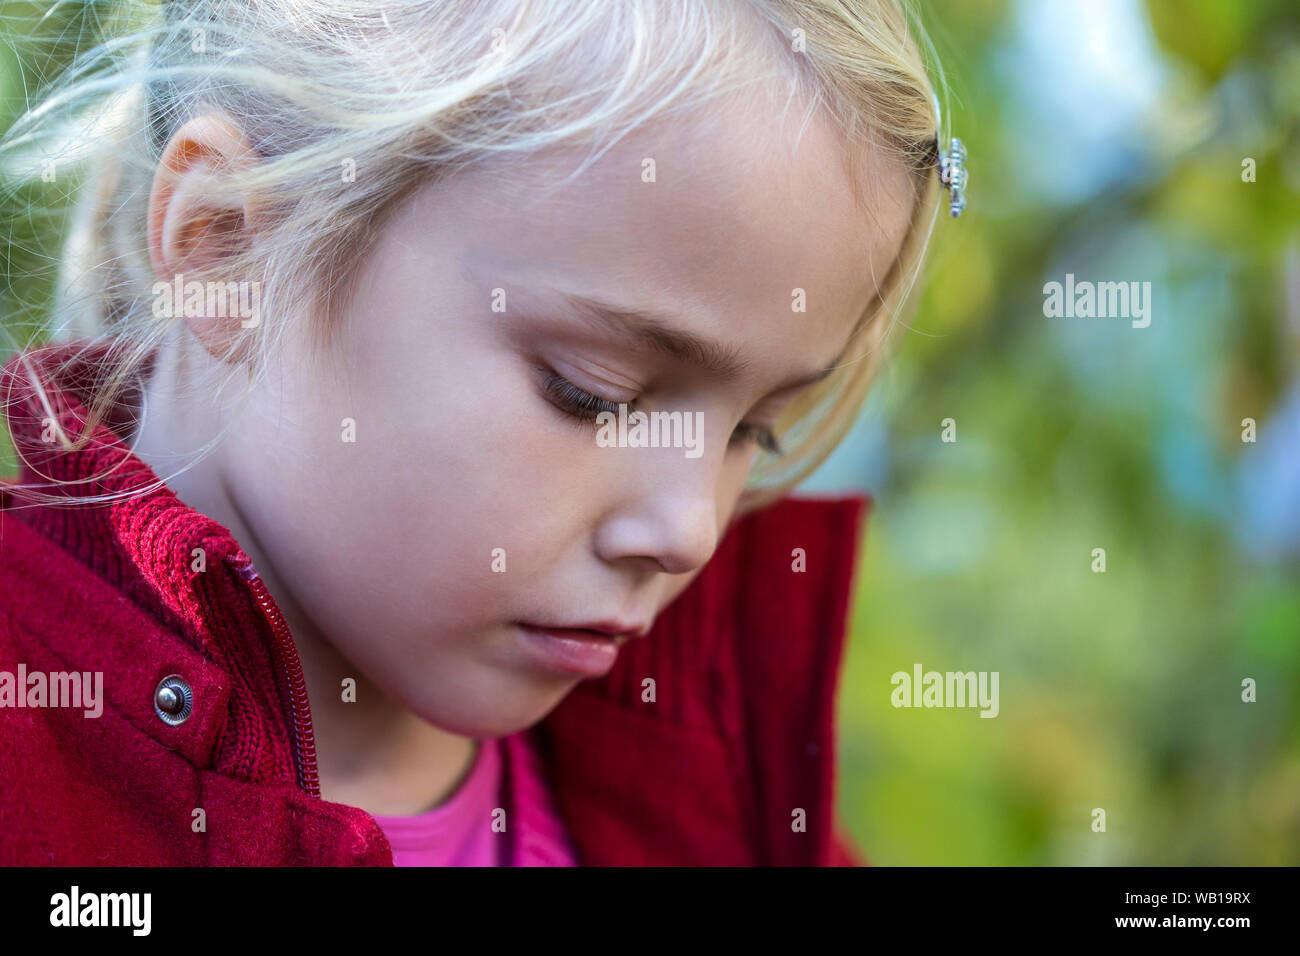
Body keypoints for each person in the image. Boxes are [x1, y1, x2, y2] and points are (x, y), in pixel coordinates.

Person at [0, 0, 963, 865]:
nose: (688, 532)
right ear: (227, 247)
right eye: (592, 393)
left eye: (758, 430)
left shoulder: (712, 778)